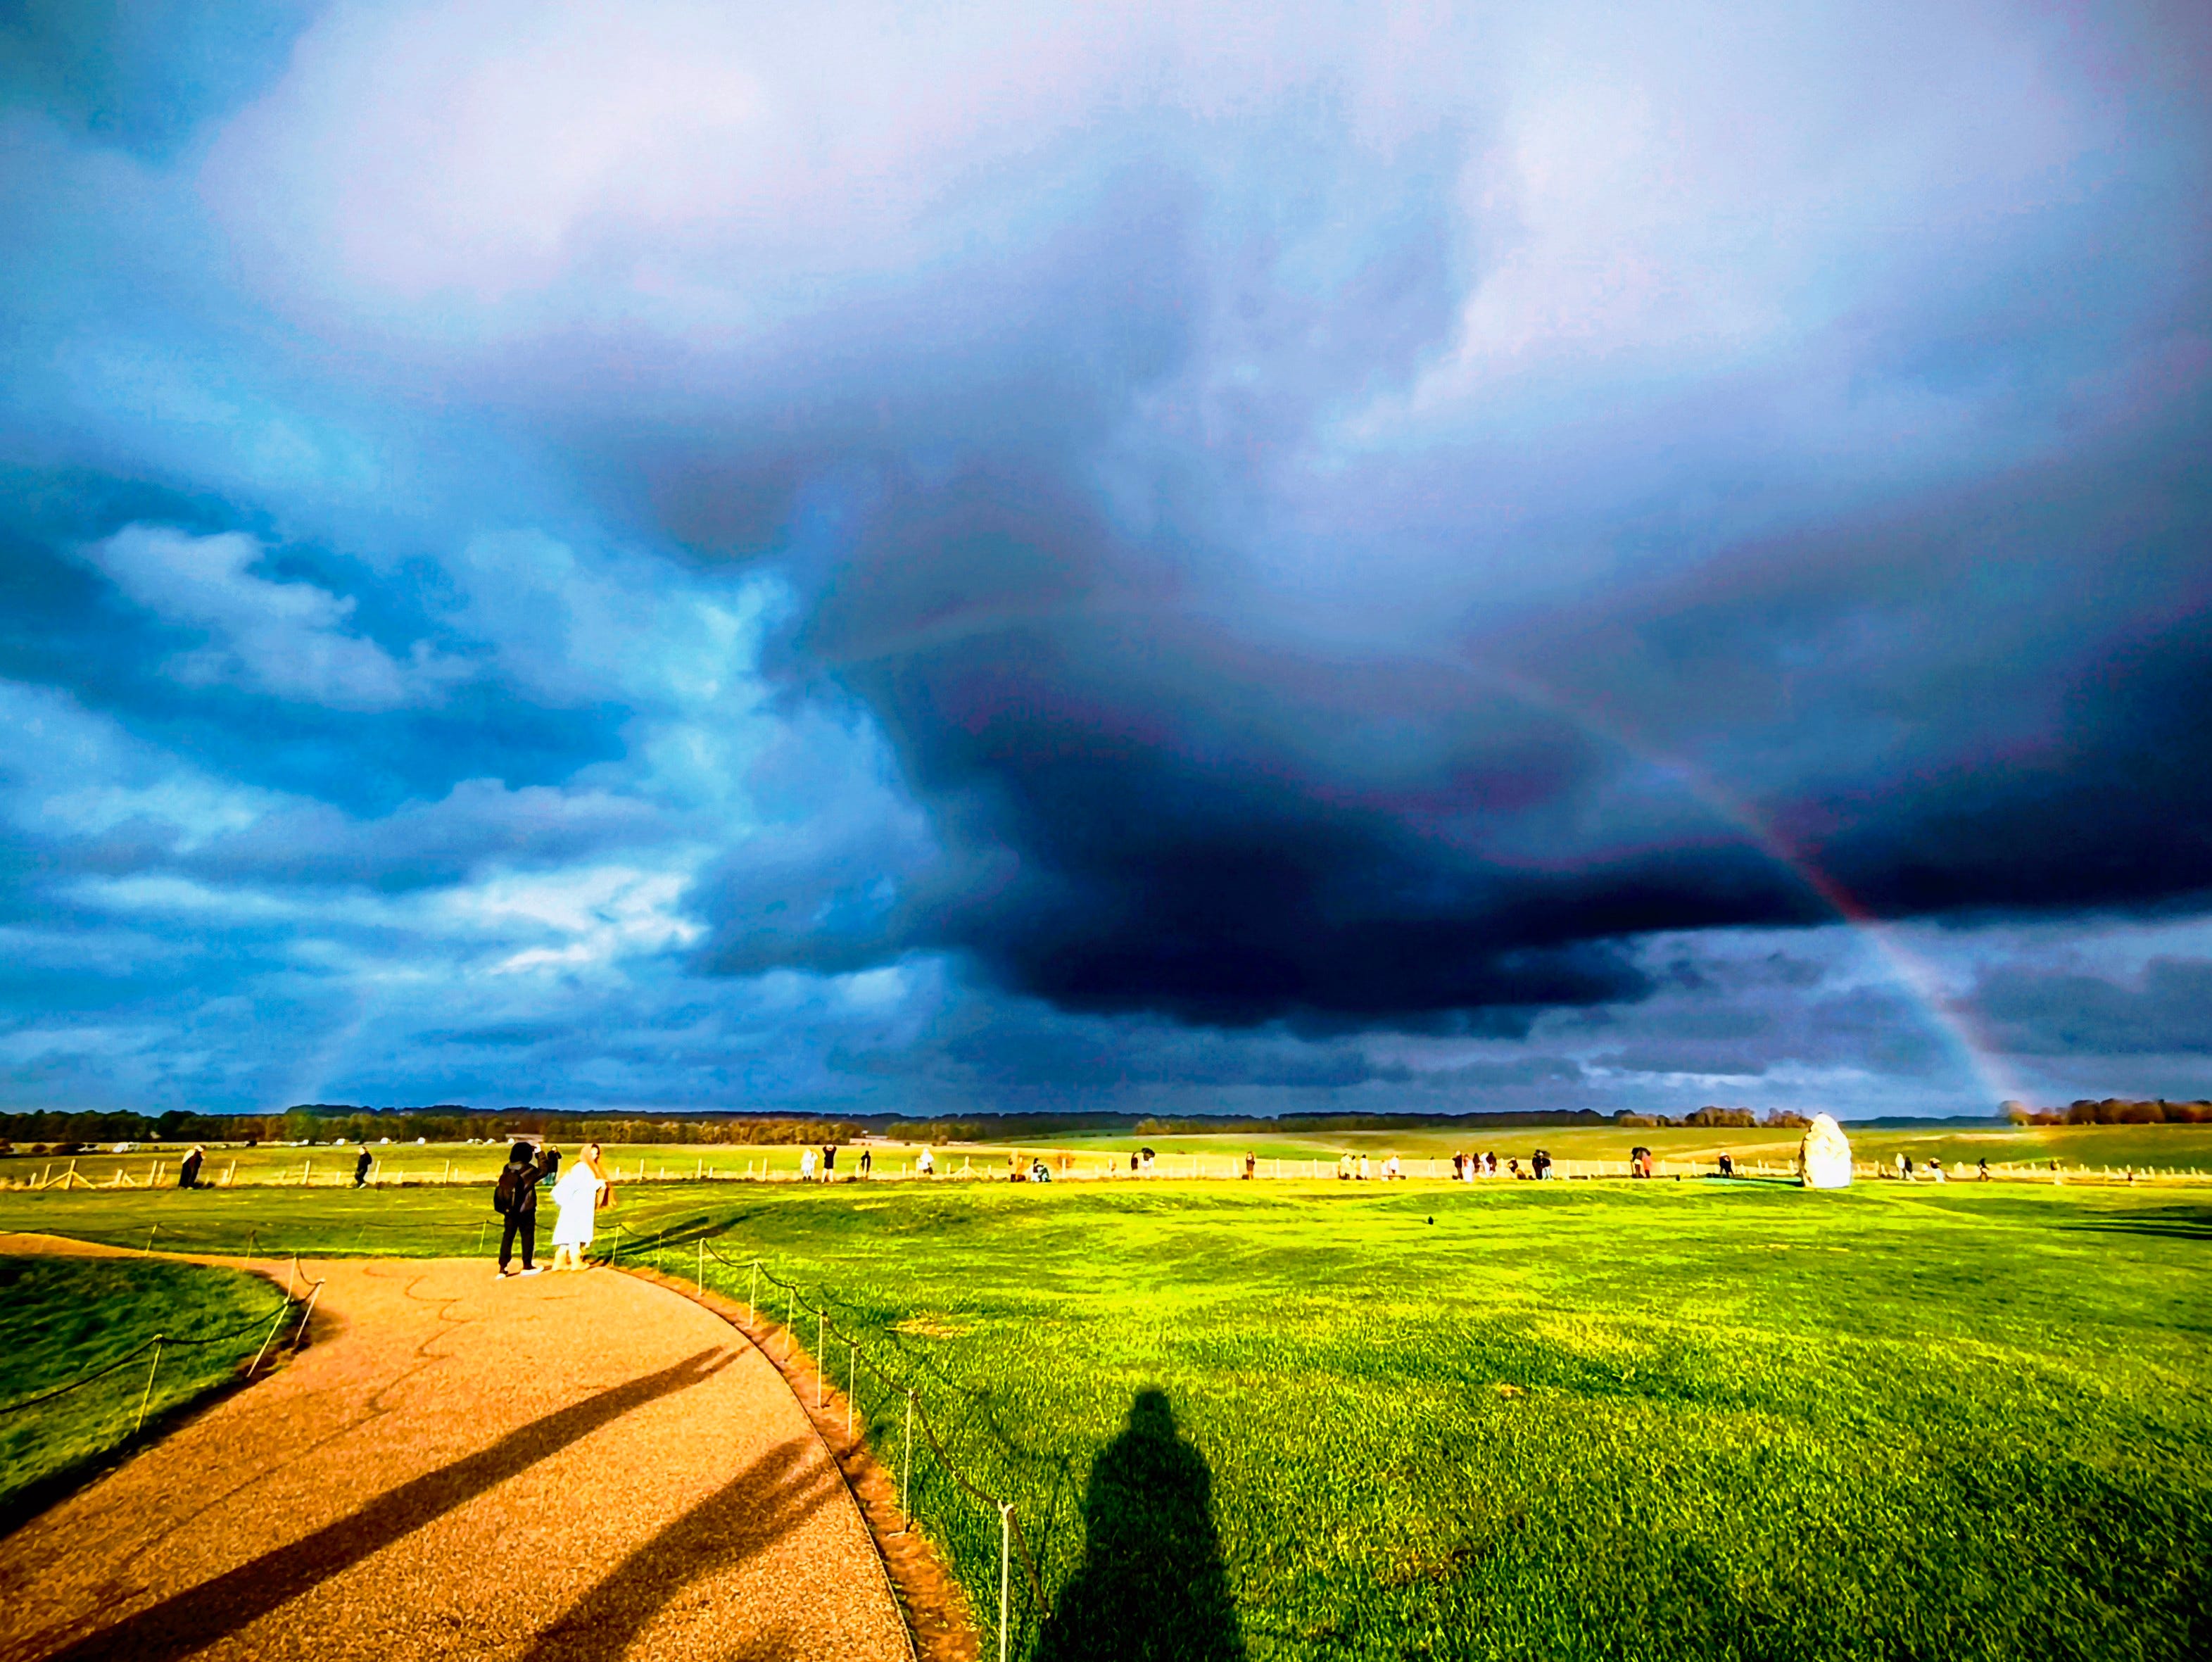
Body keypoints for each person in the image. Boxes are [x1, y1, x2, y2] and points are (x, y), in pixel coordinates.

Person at [548, 1143, 608, 1271]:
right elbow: (582, 1184)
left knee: (568, 1232)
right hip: (577, 1205)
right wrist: (598, 1184)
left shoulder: (583, 1167)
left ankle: (559, 1261)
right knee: (576, 1231)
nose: (594, 1156)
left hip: (575, 1204)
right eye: (592, 1153)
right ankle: (576, 1261)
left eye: (596, 1154)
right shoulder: (582, 1167)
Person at [493, 1140, 545, 1278]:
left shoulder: (507, 1168)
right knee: (527, 1236)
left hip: (509, 1209)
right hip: (526, 1209)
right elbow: (544, 1171)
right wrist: (540, 1153)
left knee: (508, 1237)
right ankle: (527, 1265)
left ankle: (503, 1267)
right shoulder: (529, 1169)